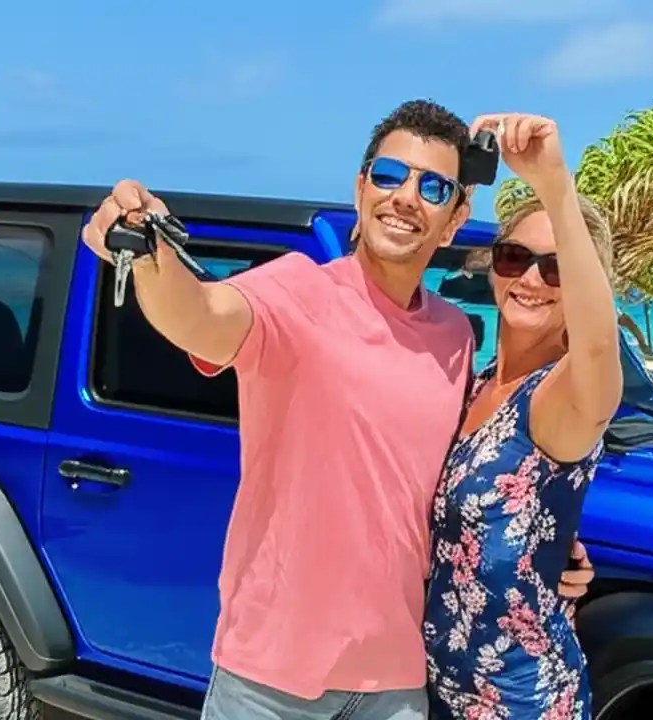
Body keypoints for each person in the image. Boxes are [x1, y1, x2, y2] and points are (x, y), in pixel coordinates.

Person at [80, 100, 597, 720]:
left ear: (456, 219)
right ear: (360, 189)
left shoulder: (456, 336)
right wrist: (143, 250)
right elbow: (199, 317)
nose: (406, 196)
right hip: (271, 679)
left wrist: (543, 545)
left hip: (399, 683)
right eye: (389, 175)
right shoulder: (296, 290)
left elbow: (465, 469)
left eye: (433, 187)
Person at [422, 114, 622, 719]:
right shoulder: (470, 386)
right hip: (435, 693)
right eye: (514, 257)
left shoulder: (559, 400)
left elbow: (595, 348)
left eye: (557, 267)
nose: (531, 278)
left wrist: (554, 185)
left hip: (520, 703)